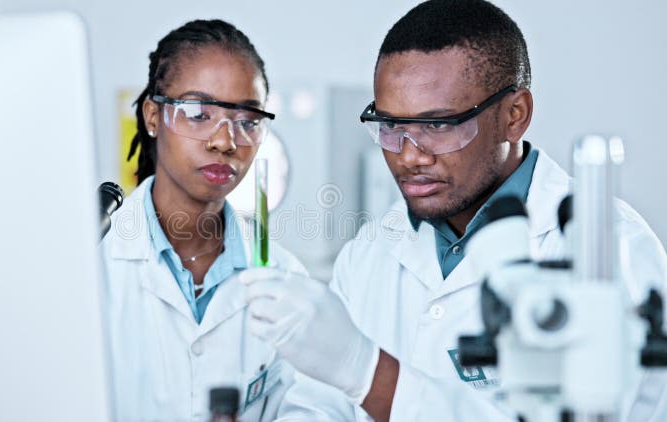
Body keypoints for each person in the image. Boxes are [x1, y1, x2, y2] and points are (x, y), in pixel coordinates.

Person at [238, 1, 667, 420]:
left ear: (514, 115)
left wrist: (369, 374)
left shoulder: (612, 252)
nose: (409, 156)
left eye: (438, 126)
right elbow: (318, 406)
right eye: (391, 126)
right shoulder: (370, 252)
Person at [99, 19, 305, 421]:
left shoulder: (286, 279)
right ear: (153, 117)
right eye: (197, 113)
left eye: (247, 121)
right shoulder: (94, 268)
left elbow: (311, 409)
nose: (225, 141)